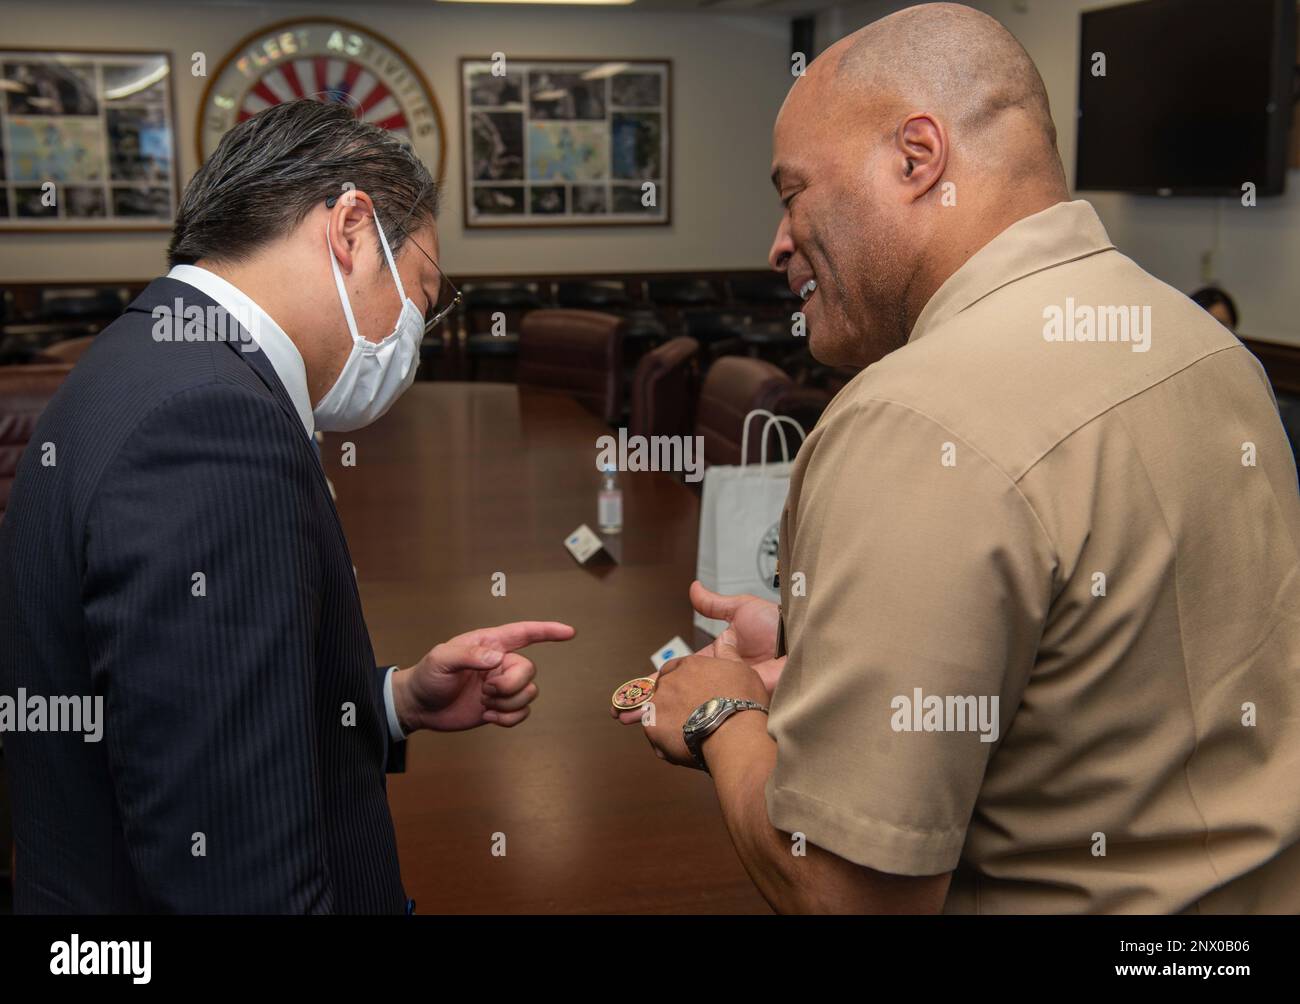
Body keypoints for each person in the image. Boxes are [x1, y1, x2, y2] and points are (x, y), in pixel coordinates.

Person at [619, 2, 1300, 914]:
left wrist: (720, 711)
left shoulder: (913, 418)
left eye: (792, 193)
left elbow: (844, 891)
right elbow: (1119, 654)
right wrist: (820, 648)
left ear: (917, 158)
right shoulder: (1209, 351)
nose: (777, 242)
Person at [0, 99, 574, 913]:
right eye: (422, 289)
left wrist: (392, 701)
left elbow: (188, 711)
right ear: (348, 229)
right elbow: (235, 878)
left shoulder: (151, 353)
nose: (415, 325)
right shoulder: (209, 420)